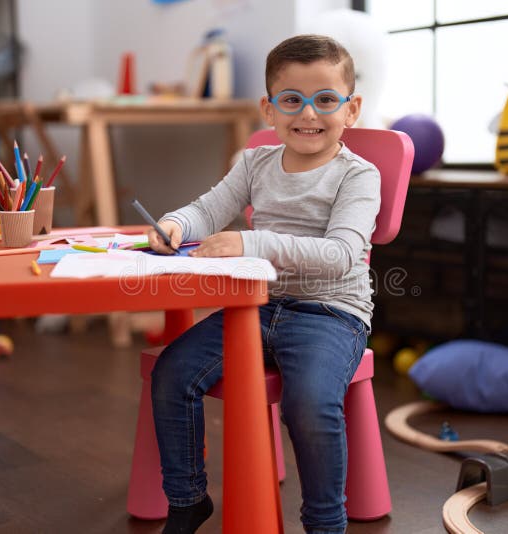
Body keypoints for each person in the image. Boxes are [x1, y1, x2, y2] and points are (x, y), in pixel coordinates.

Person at [147, 34, 380, 534]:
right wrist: (174, 226)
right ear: (269, 110)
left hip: (331, 314)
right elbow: (208, 209)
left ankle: (325, 522)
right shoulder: (255, 162)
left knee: (308, 405)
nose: (308, 114)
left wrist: (250, 244)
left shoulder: (358, 176)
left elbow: (341, 257)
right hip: (256, 306)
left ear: (351, 109)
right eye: (292, 100)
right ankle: (187, 499)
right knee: (171, 374)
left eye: (325, 100)